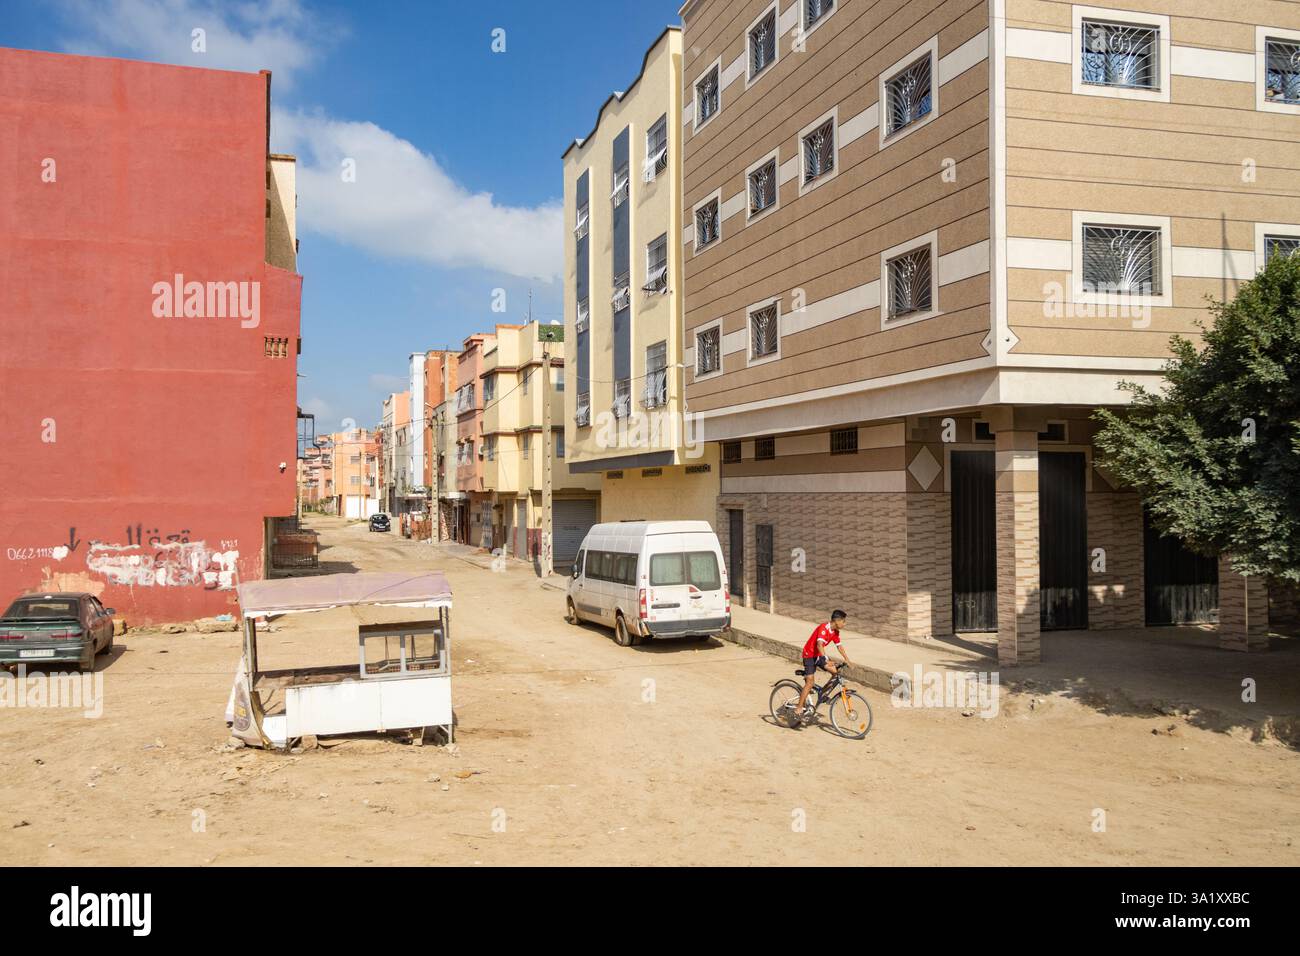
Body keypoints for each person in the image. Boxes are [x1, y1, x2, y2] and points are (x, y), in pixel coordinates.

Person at [792, 610, 851, 720]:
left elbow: (839, 646)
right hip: (809, 655)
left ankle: (822, 693)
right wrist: (826, 659)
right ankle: (798, 708)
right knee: (810, 682)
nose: (845, 624)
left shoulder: (835, 632)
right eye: (843, 621)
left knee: (835, 672)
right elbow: (819, 645)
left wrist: (847, 659)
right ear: (837, 621)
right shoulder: (823, 628)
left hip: (819, 655)